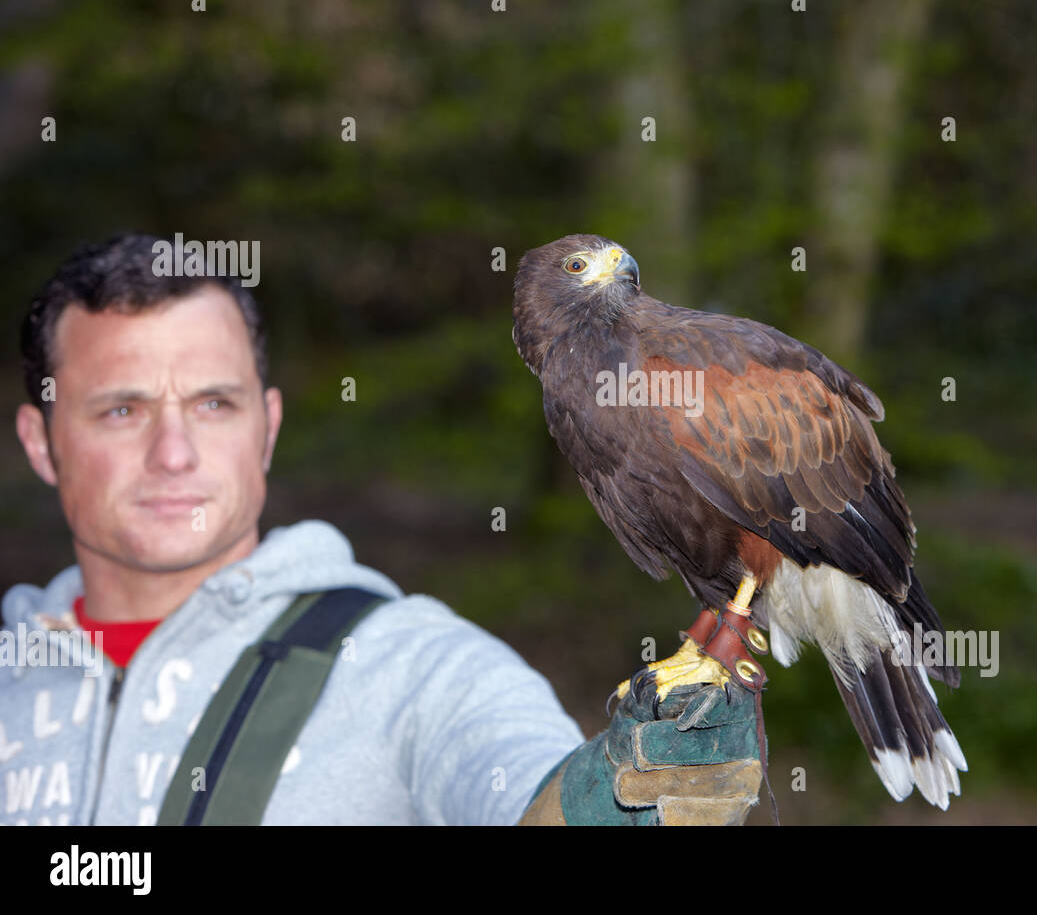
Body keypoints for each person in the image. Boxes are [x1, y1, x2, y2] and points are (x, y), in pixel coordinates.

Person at [1, 234, 762, 826]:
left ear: (266, 427)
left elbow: (526, 787)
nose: (173, 455)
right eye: (122, 410)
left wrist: (610, 805)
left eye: (212, 405)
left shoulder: (414, 668)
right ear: (40, 442)